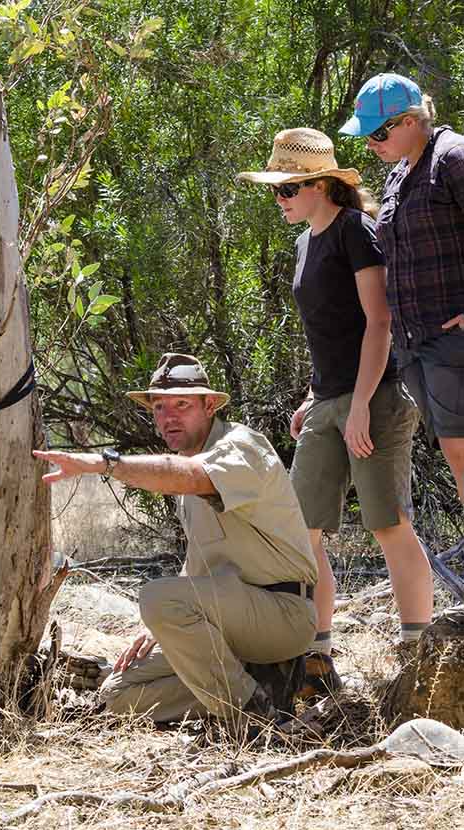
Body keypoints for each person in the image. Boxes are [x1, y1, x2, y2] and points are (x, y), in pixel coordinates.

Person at [238, 128, 433, 683]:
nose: (280, 200)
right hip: (329, 401)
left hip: (376, 398)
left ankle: (420, 651)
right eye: (275, 190)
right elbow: (325, 332)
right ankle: (318, 654)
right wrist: (314, 397)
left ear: (322, 184)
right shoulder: (304, 242)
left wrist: (359, 407)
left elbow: (379, 323)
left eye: (288, 189)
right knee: (304, 531)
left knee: (388, 523)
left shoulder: (356, 231)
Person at [34, 354, 318, 728]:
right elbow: (198, 562)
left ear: (210, 405)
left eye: (182, 404)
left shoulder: (241, 446)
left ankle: (253, 715)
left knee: (155, 596)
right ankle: (261, 683)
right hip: (228, 621)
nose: (168, 416)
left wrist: (105, 463)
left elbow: (184, 475)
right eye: (159, 406)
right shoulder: (189, 467)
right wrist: (163, 626)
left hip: (280, 616)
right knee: (118, 694)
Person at [339, 73, 464, 504]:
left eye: (377, 132)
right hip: (416, 346)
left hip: (452, 341)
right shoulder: (398, 175)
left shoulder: (453, 157)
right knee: (455, 452)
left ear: (410, 121)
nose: (370, 143)